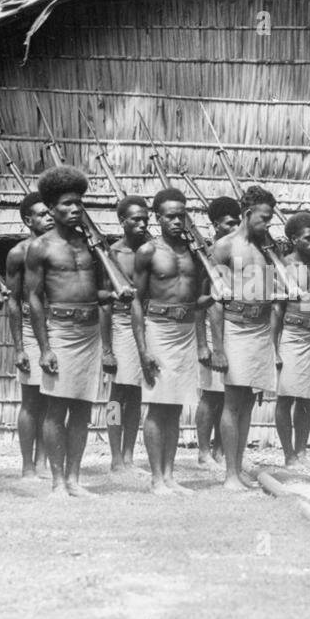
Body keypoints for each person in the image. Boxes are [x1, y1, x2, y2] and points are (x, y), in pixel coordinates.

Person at [25, 166, 124, 496]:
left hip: (90, 332)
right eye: (67, 204)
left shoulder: (92, 245)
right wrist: (44, 348)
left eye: (79, 204)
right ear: (51, 209)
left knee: (82, 407)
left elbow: (96, 293)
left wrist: (112, 295)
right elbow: (34, 298)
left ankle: (74, 479)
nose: (75, 209)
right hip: (61, 332)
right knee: (56, 408)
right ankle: (56, 482)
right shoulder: (41, 247)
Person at [132, 188, 206, 494]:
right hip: (158, 329)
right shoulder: (148, 252)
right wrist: (143, 348)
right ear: (158, 217)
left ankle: (170, 475)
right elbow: (136, 301)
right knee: (157, 406)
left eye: (181, 215)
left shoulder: (195, 253)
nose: (177, 221)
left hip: (185, 331)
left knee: (175, 407)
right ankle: (155, 479)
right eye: (170, 216)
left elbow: (200, 298)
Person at [208, 185, 282, 490]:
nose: (268, 224)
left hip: (260, 328)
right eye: (264, 218)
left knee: (249, 400)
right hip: (235, 327)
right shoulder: (225, 247)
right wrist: (219, 348)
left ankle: (238, 469)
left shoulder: (268, 248)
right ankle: (229, 475)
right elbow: (214, 301)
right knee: (232, 401)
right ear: (248, 214)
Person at [273, 212, 310, 466]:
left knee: (306, 399)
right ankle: (288, 454)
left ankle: (302, 451)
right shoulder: (281, 266)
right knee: (285, 396)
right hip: (291, 334)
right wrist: (273, 348)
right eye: (308, 238)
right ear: (294, 239)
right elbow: (276, 308)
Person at [4, 190, 54, 478]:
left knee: (52, 397)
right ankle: (27, 466)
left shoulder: (61, 248)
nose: (48, 218)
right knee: (31, 400)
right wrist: (18, 347)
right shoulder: (18, 254)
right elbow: (12, 300)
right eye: (42, 214)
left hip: (58, 326)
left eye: (50, 213)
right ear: (28, 220)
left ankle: (43, 462)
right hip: (29, 328)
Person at [195, 196, 240, 465]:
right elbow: (201, 304)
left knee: (230, 395)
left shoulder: (240, 255)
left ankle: (221, 449)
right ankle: (203, 452)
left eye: (238, 223)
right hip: (214, 333)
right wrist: (204, 343)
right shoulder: (208, 255)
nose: (234, 228)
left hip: (236, 330)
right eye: (229, 223)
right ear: (215, 225)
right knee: (211, 395)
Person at [106, 195, 149, 472]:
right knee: (118, 392)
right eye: (136, 219)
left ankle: (130, 455)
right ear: (122, 222)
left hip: (149, 323)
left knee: (136, 394)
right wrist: (107, 348)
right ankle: (115, 456)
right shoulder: (112, 254)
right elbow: (102, 301)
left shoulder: (152, 250)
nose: (142, 224)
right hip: (121, 323)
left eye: (146, 219)